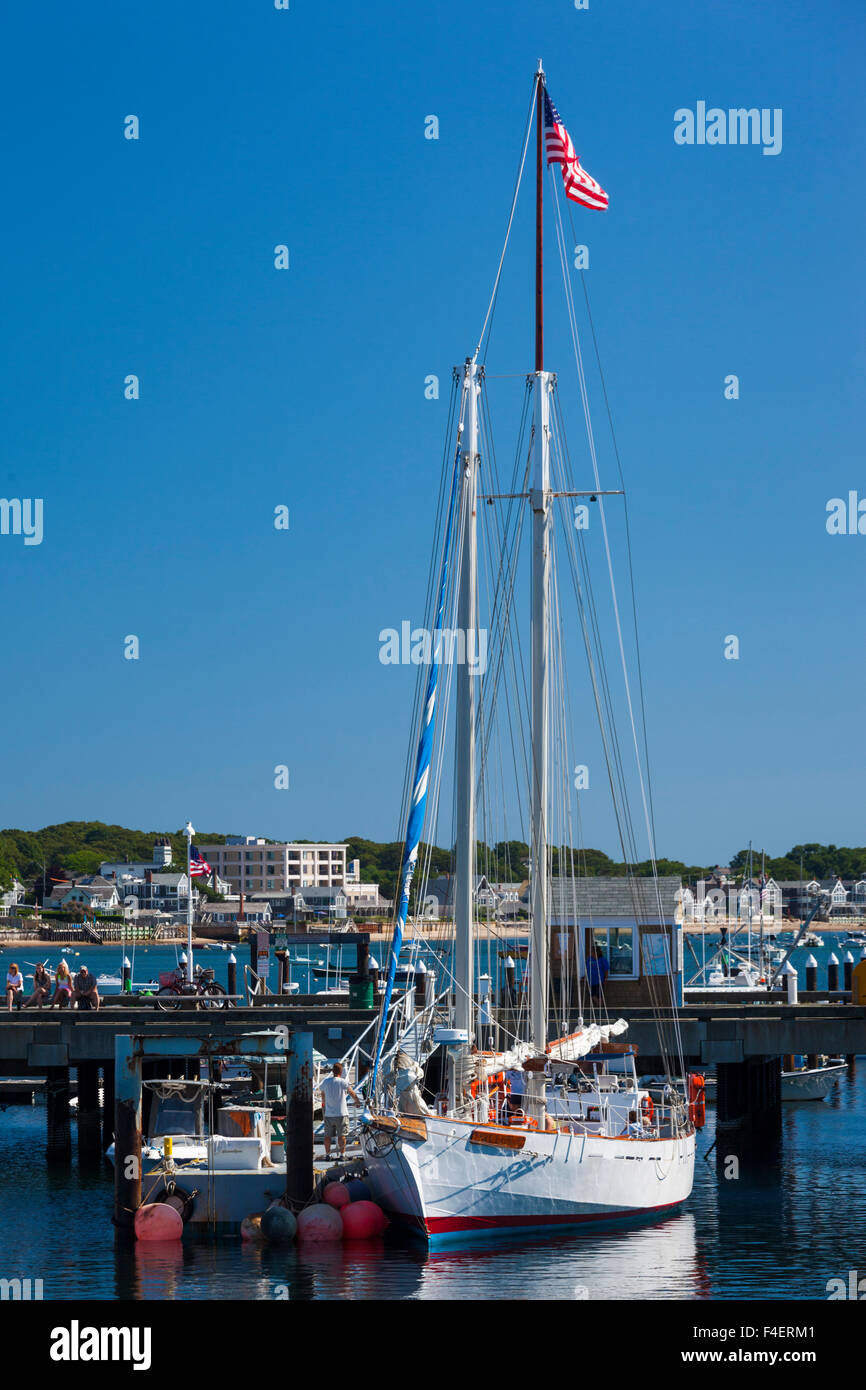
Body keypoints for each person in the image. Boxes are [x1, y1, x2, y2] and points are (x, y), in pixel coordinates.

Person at [318, 1062, 361, 1161]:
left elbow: (322, 1093)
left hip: (329, 1114)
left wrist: (324, 1103)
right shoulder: (343, 1082)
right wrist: (357, 1101)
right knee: (341, 1136)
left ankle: (328, 1155)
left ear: (332, 1071)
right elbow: (351, 1092)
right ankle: (342, 1155)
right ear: (341, 1072)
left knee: (327, 1136)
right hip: (341, 1113)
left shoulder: (326, 1082)